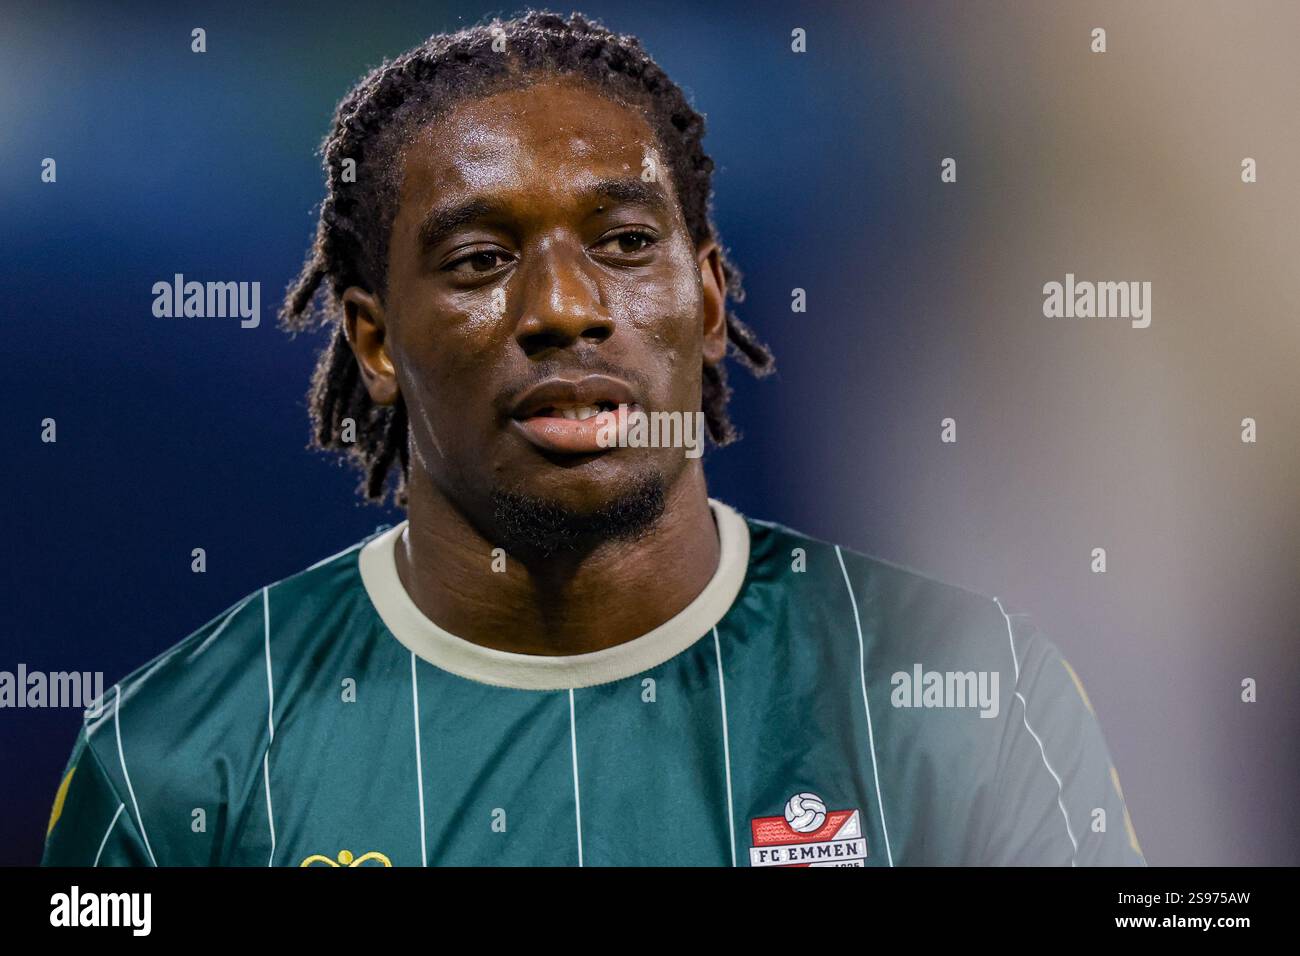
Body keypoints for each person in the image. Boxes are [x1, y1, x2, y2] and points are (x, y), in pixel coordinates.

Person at [41, 10, 1143, 867]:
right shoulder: (173, 757)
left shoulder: (966, 693)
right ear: (373, 342)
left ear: (710, 301)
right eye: (479, 259)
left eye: (623, 242)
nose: (565, 306)